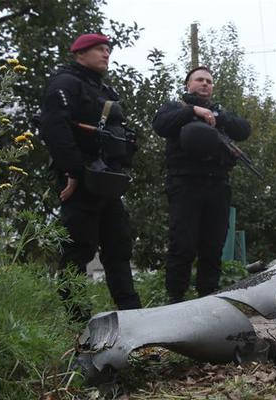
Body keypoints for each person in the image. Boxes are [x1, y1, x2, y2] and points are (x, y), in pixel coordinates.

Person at [39, 33, 141, 317]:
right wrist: (72, 171)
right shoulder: (66, 83)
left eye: (108, 50)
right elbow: (53, 129)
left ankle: (133, 316)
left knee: (118, 248)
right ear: (79, 53)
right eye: (99, 49)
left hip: (106, 179)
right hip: (81, 180)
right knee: (77, 252)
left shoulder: (103, 90)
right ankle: (78, 324)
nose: (106, 54)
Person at [152, 66, 251, 304]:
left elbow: (244, 129)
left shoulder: (220, 113)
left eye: (209, 80)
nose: (205, 83)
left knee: (213, 245)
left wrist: (218, 118)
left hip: (217, 185)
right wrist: (193, 111)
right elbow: (161, 125)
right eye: (199, 79)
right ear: (188, 84)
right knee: (182, 244)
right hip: (185, 184)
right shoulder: (175, 108)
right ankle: (175, 299)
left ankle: (208, 299)